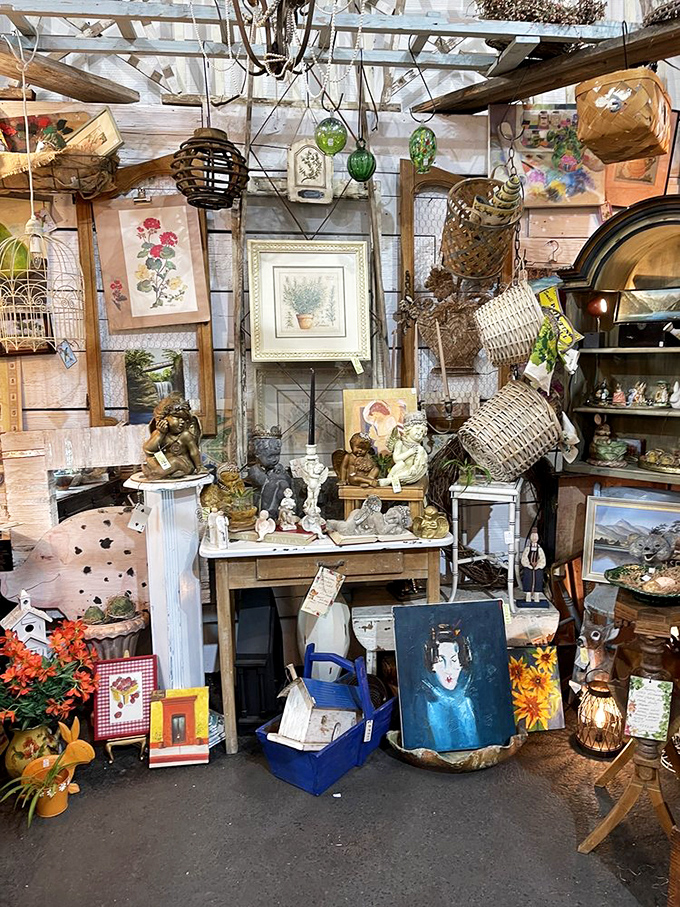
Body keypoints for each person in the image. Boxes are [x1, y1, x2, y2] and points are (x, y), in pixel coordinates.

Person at [420, 624, 478, 752]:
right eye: (440, 661)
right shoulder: (430, 706)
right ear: (432, 665)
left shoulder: (467, 703)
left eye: (454, 660)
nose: (448, 669)